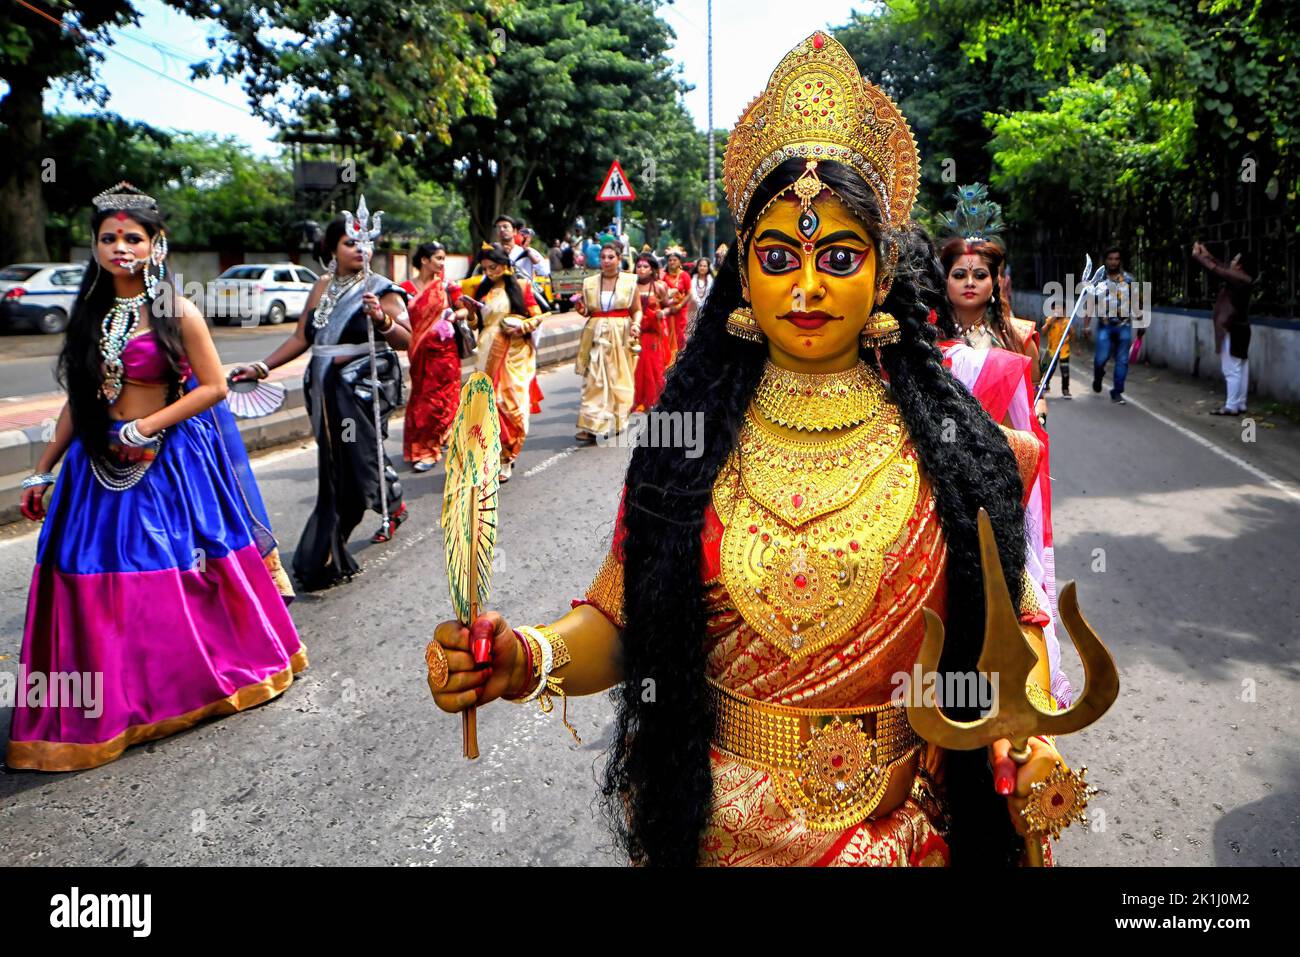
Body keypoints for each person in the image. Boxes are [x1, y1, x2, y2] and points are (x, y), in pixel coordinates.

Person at [429, 33, 1085, 867]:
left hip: (902, 835)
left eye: (838, 257)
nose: (806, 287)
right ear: (743, 274)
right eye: (778, 258)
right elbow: (624, 618)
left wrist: (1026, 727)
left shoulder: (953, 445)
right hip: (716, 836)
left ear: (882, 277)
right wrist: (527, 657)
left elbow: (1012, 624)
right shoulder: (688, 444)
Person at [8, 182, 305, 771]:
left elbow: (215, 387)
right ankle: (106, 700)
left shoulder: (176, 310)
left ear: (155, 244)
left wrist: (146, 430)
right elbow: (82, 398)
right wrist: (40, 471)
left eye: (133, 238)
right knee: (85, 578)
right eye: (108, 238)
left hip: (164, 463)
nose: (120, 247)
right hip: (95, 468)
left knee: (164, 575)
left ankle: (175, 686)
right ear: (93, 247)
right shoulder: (90, 313)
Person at [234, 215, 412, 590]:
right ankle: (389, 503)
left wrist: (381, 320)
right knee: (337, 465)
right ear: (332, 248)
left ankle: (326, 552)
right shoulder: (321, 287)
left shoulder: (381, 288)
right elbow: (303, 338)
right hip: (323, 391)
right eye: (350, 243)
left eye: (365, 243)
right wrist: (262, 366)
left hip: (356, 393)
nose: (359, 250)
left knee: (351, 465)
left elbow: (405, 340)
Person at [466, 243, 546, 481]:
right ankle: (493, 455)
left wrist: (522, 326)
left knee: (509, 403)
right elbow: (475, 325)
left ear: (506, 266)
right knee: (487, 404)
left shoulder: (521, 287)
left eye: (495, 267)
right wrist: (471, 312)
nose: (490, 273)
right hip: (486, 350)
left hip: (514, 352)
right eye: (486, 268)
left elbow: (537, 315)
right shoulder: (482, 291)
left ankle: (508, 455)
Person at [400, 242, 466, 471]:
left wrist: (452, 317)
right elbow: (398, 316)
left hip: (445, 352)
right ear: (424, 260)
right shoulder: (404, 288)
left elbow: (464, 309)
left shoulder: (447, 286)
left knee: (442, 399)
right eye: (438, 258)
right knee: (421, 399)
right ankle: (421, 444)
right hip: (418, 351)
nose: (442, 262)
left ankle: (428, 450)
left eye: (443, 258)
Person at [573, 242, 640, 444]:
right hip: (596, 335)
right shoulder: (590, 282)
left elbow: (636, 309)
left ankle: (618, 419)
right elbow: (588, 311)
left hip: (621, 334)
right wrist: (579, 307)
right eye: (603, 257)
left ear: (619, 259)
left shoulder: (629, 282)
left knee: (619, 379)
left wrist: (636, 324)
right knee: (594, 379)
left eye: (611, 257)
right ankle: (591, 425)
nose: (606, 261)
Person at [1192, 242, 1254, 415]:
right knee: (1241, 366)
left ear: (1240, 265)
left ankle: (1231, 406)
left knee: (1231, 369)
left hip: (1231, 328)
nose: (1232, 262)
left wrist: (1198, 256)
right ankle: (1240, 403)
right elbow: (1223, 268)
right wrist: (1208, 255)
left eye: (1235, 260)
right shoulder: (1243, 278)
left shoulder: (1239, 279)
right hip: (1241, 327)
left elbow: (1217, 270)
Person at [1084, 245, 1141, 405]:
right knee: (1100, 358)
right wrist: (1087, 325)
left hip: (1124, 325)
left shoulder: (1129, 280)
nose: (1113, 262)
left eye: (1116, 259)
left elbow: (1136, 303)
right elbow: (1090, 302)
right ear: (1105, 261)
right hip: (1105, 326)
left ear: (1120, 260)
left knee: (1122, 360)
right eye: (1110, 259)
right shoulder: (1099, 281)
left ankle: (1117, 392)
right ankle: (1098, 375)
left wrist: (1141, 323)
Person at [631, 252, 671, 412]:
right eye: (639, 266)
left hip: (653, 333)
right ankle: (634, 400)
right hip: (634, 332)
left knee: (653, 367)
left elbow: (668, 306)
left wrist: (663, 313)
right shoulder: (629, 286)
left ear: (652, 269)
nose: (641, 269)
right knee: (635, 368)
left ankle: (653, 399)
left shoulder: (659, 287)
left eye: (645, 267)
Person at [660, 246, 692, 360]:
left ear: (679, 261)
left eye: (675, 260)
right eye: (670, 260)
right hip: (668, 310)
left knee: (680, 334)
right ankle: (668, 359)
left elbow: (689, 294)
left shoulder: (685, 275)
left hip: (680, 310)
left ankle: (680, 358)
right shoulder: (663, 276)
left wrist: (679, 305)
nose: (672, 262)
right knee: (667, 332)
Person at [1040, 302, 1073, 399]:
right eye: (1055, 309)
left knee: (1065, 371)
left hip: (1064, 350)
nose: (1058, 311)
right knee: (1049, 369)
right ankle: (1046, 385)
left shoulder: (1067, 322)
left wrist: (1077, 347)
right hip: (1052, 350)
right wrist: (1050, 322)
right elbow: (1043, 332)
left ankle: (1065, 390)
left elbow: (1072, 335)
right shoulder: (1050, 320)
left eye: (1060, 309)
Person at [687, 256, 714, 333]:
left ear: (708, 268)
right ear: (697, 267)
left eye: (705, 266)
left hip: (707, 310)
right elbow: (692, 294)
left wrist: (704, 306)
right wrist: (698, 305)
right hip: (693, 310)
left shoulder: (711, 280)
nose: (702, 268)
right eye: (700, 266)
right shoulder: (692, 279)